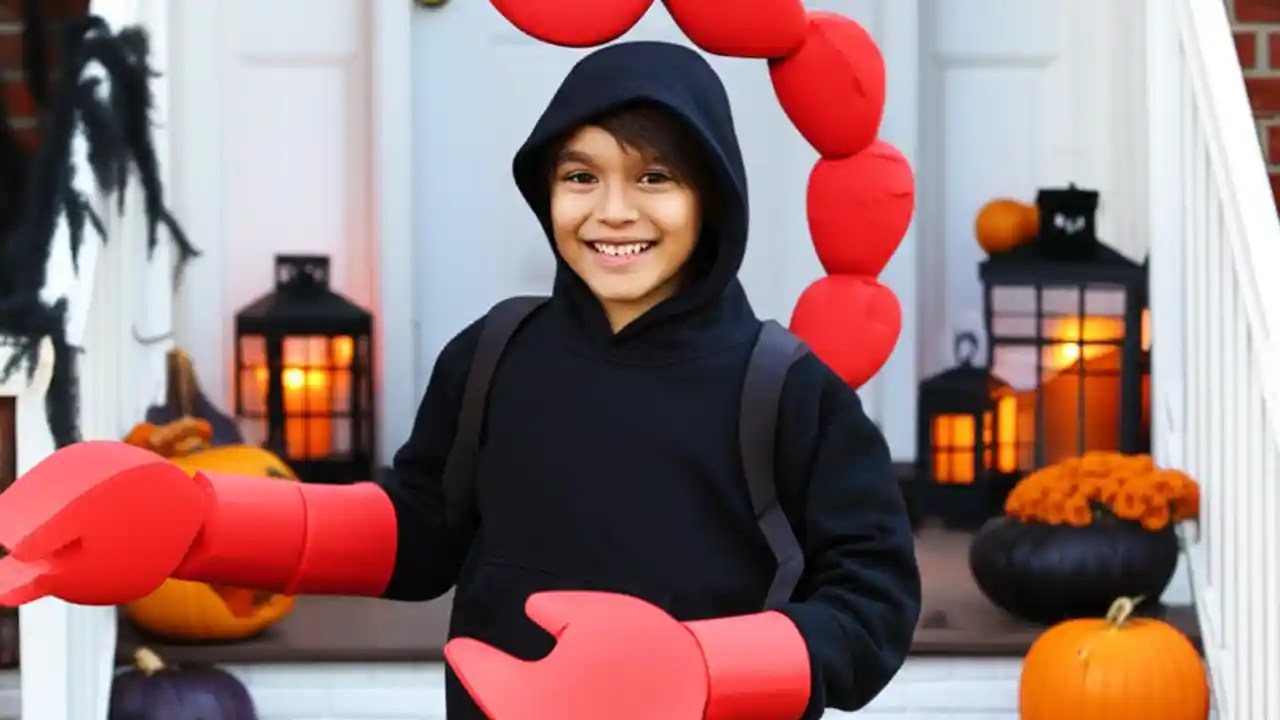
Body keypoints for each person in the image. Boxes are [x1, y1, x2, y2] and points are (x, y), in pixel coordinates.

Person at [0, 41, 920, 720]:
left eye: (655, 178)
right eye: (579, 175)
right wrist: (205, 523)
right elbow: (417, 533)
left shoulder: (787, 389)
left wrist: (700, 666)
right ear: (543, 189)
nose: (613, 211)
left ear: (712, 195)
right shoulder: (497, 353)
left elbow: (871, 607)